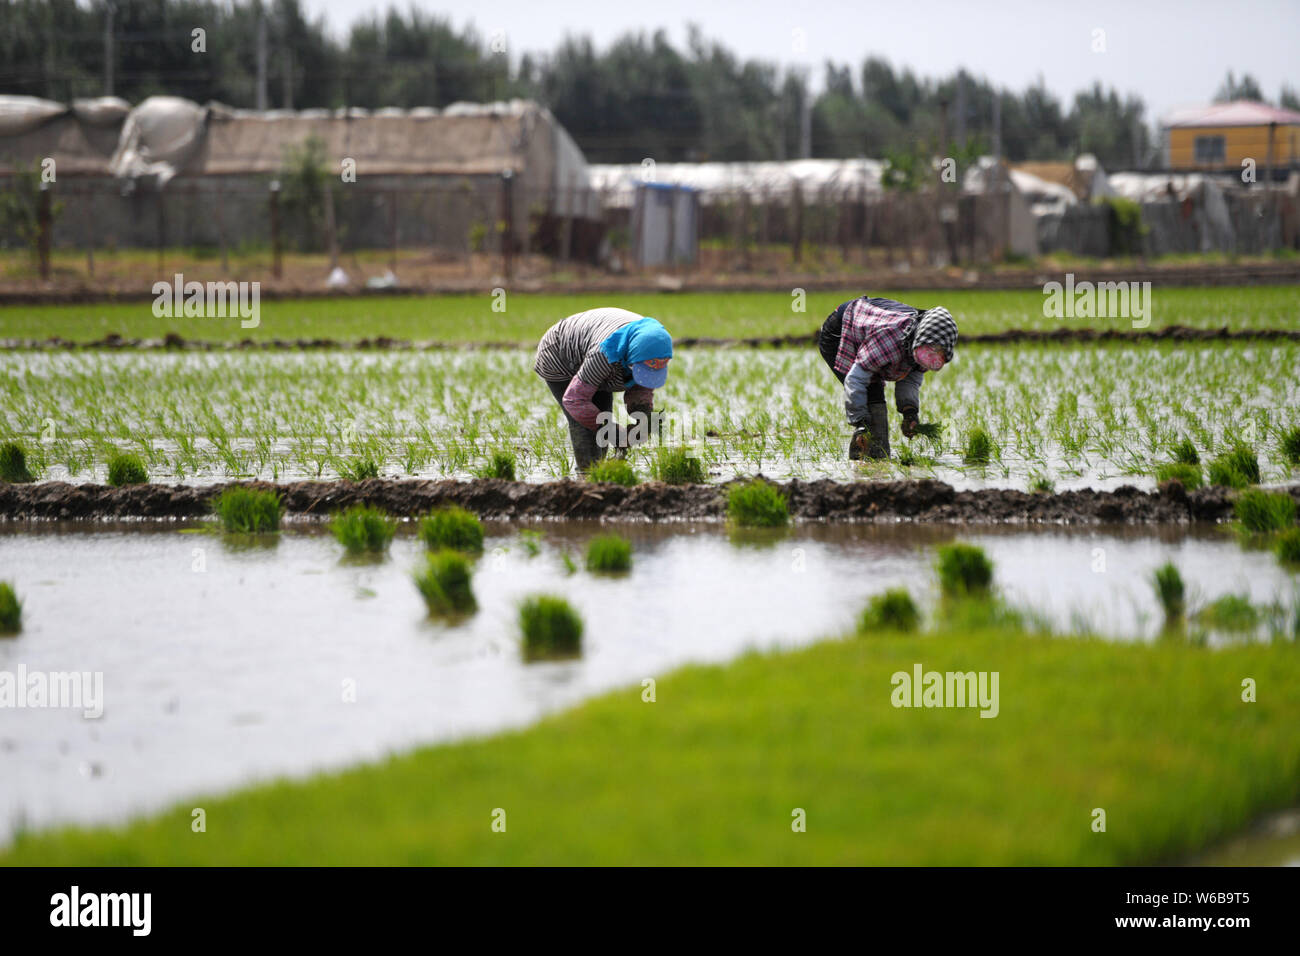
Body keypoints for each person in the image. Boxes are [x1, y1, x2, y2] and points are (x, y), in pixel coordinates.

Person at [817, 296, 958, 459]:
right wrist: (860, 422)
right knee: (873, 402)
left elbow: (910, 378)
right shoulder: (890, 338)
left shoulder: (922, 346)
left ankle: (867, 463)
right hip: (840, 329)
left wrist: (909, 412)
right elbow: (855, 379)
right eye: (929, 351)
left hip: (874, 333)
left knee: (874, 406)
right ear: (920, 340)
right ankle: (869, 462)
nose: (930, 358)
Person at [534, 307, 673, 471]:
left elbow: (641, 387)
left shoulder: (655, 349)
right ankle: (587, 476)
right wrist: (611, 430)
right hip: (561, 355)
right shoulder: (604, 354)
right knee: (585, 424)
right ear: (631, 358)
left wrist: (643, 420)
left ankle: (600, 474)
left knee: (603, 414)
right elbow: (574, 400)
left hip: (600, 353)